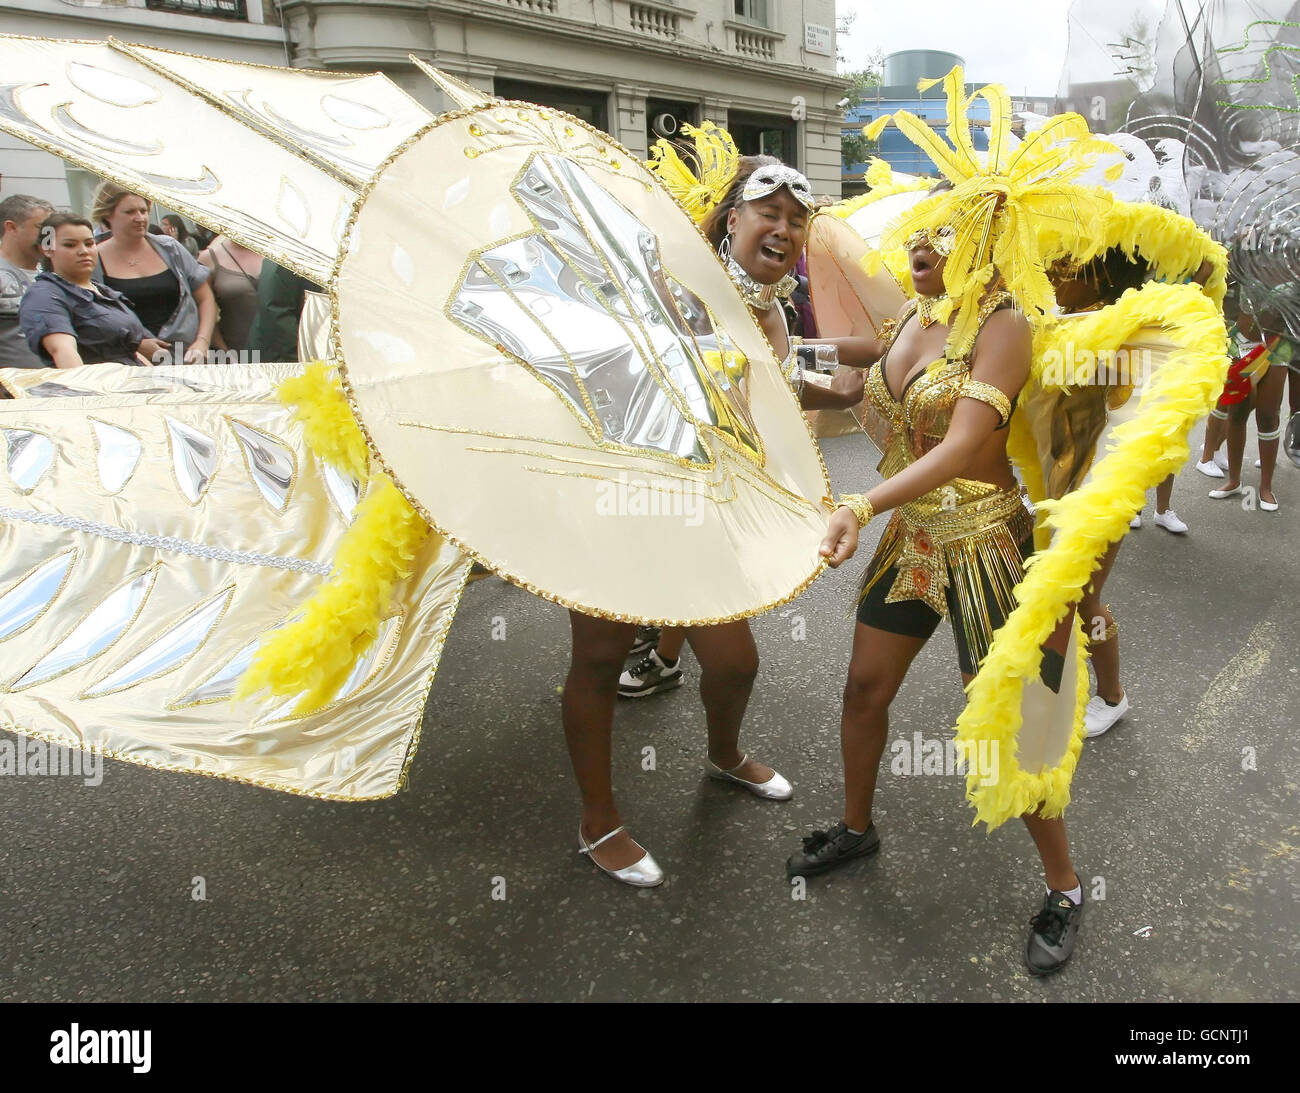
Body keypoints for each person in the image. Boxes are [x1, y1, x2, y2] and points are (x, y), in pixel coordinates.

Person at [567, 136, 867, 887]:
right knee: (599, 662)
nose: (786, 230)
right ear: (730, 220)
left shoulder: (772, 317)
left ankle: (724, 753)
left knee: (735, 664)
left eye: (797, 221)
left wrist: (885, 370)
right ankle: (598, 819)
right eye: (770, 212)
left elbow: (793, 378)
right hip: (621, 499)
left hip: (702, 513)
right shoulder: (671, 286)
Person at [19, 213, 166, 368]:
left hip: (137, 380)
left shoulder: (102, 290)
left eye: (89, 244)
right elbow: (63, 352)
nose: (83, 251)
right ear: (48, 250)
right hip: (97, 386)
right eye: (70, 245)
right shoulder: (45, 295)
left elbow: (130, 351)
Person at [91, 182, 215, 364]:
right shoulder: (93, 259)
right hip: (130, 364)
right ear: (107, 214)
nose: (140, 217)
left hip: (187, 358)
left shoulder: (170, 248)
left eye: (143, 210)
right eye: (130, 212)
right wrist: (136, 344)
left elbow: (205, 298)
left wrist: (202, 342)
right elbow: (93, 319)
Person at [0, 193, 54, 371]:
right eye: (42, 228)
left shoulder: (53, 274)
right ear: (11, 228)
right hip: (13, 391)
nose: (49, 237)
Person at [199, 234, 263, 357]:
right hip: (233, 354)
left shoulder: (281, 253)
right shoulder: (209, 258)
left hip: (282, 353)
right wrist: (225, 354)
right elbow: (202, 311)